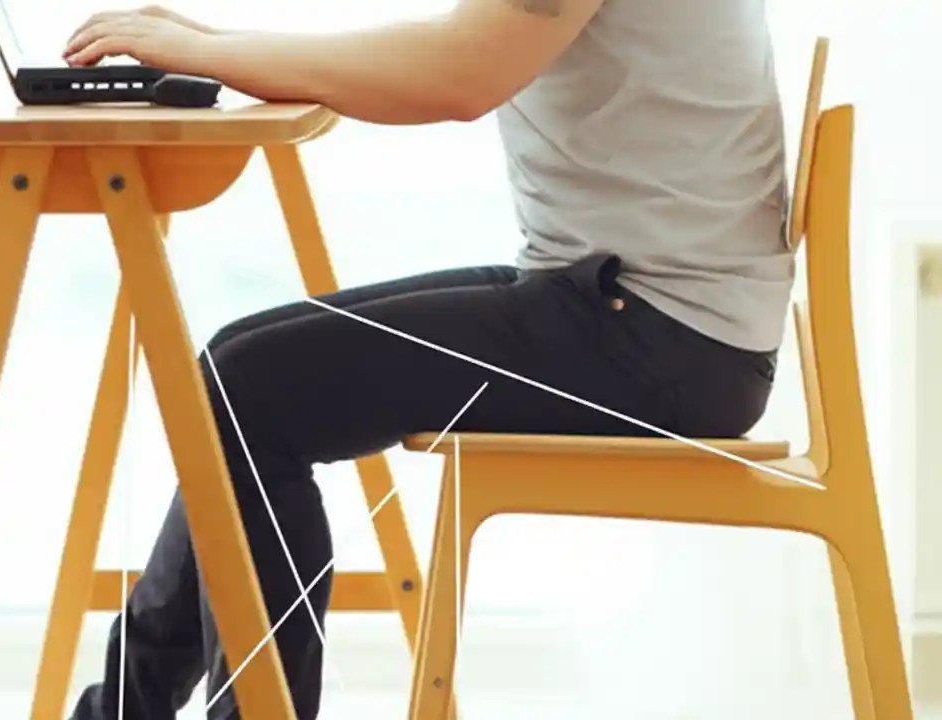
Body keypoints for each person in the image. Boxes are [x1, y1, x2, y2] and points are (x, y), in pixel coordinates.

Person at [61, 1, 791, 718]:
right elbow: (462, 42)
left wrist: (212, 53)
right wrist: (219, 44)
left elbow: (457, 77)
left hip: (657, 337)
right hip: (630, 308)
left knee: (250, 389)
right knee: (235, 370)